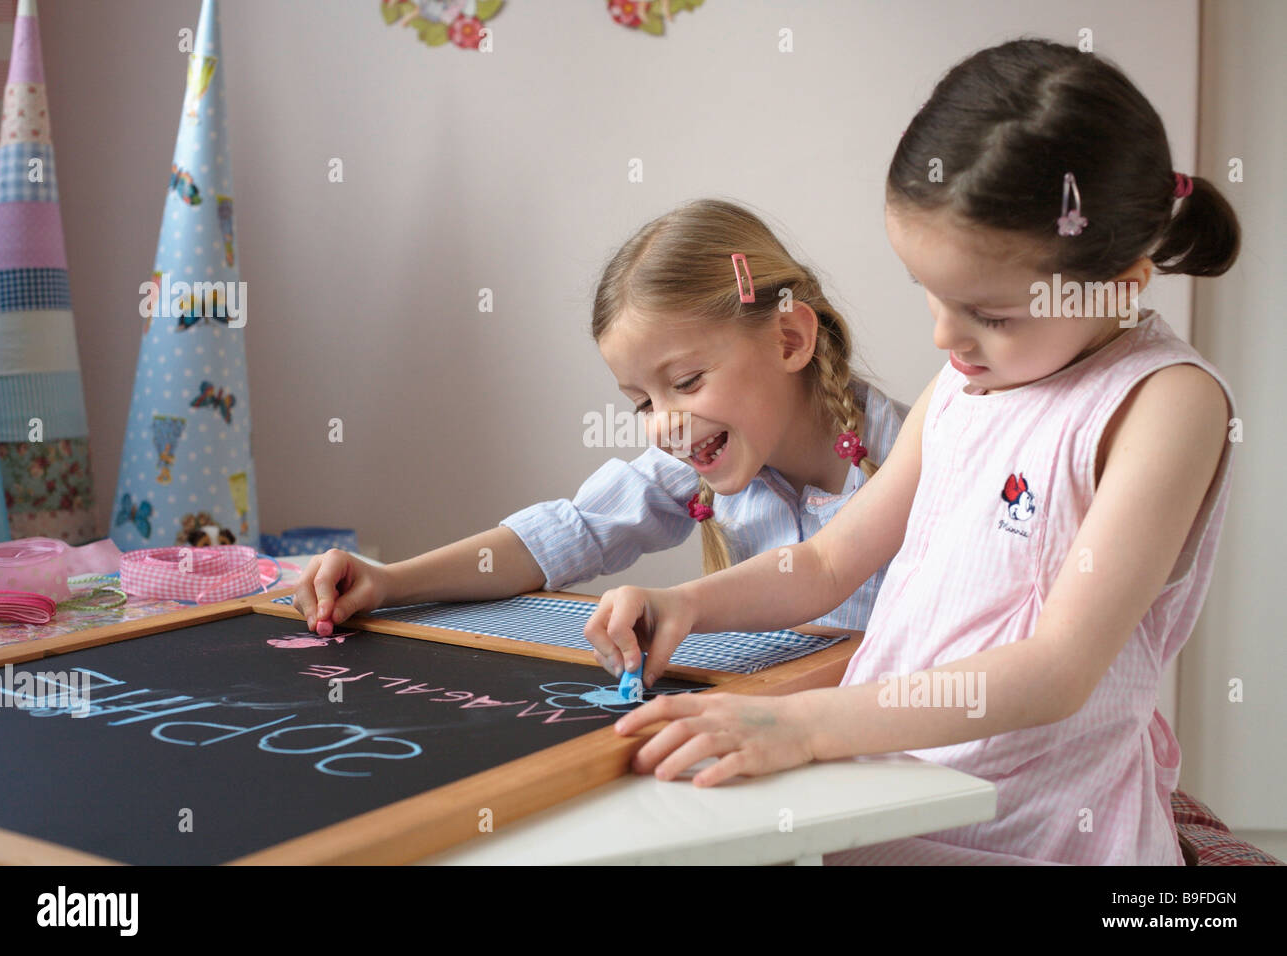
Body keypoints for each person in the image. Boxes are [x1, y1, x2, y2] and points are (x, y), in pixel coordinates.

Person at [586, 39, 1240, 865]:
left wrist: (799, 724)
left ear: (1122, 280)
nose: (943, 335)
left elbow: (1059, 668)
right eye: (928, 291)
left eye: (990, 312)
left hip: (1038, 833)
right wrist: (689, 604)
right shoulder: (965, 384)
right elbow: (827, 564)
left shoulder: (1165, 403)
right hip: (886, 804)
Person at [293, 199, 908, 671]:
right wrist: (391, 580)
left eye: (687, 381)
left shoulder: (912, 455)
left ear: (788, 340)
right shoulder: (697, 462)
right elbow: (569, 531)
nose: (664, 422)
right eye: (642, 401)